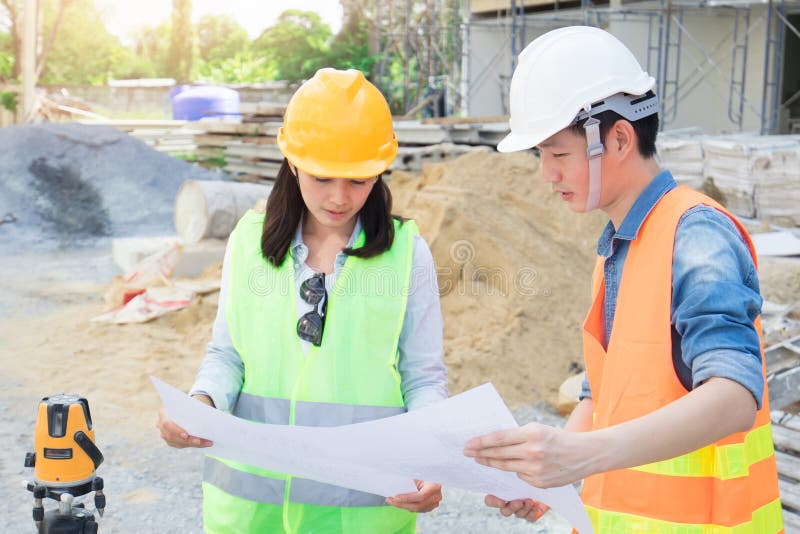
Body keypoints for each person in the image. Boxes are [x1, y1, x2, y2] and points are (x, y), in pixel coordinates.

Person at [463, 26, 783, 532]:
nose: (546, 174)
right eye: (540, 156)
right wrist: (551, 475)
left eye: (558, 154)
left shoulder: (695, 235)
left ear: (616, 137)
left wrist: (582, 455)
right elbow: (605, 395)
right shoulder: (620, 244)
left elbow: (734, 395)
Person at [157, 68, 448, 533]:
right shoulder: (248, 242)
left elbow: (423, 376)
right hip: (252, 514)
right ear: (292, 163)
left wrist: (433, 456)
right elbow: (227, 355)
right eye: (322, 178)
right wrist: (200, 403)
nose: (339, 198)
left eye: (358, 180)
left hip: (361, 516)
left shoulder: (406, 253)